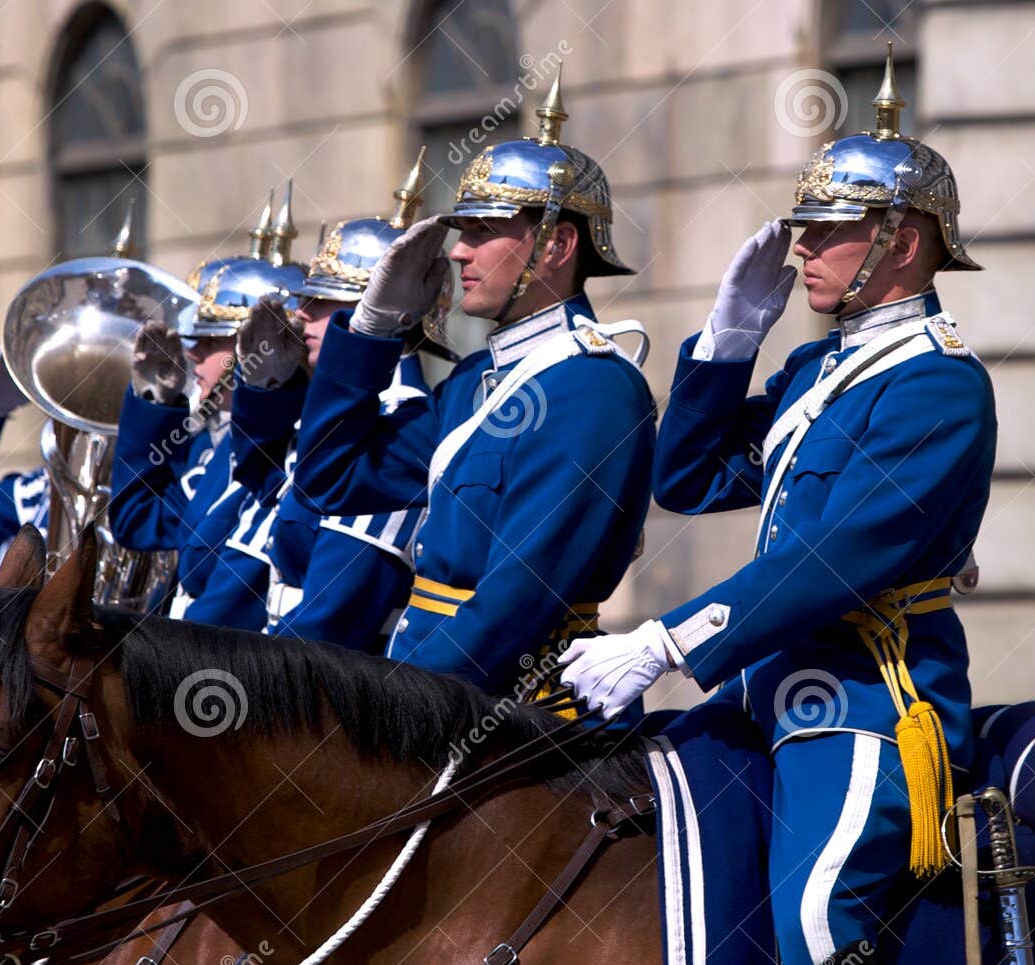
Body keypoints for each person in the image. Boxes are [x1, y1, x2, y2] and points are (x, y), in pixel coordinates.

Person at [560, 49, 993, 965]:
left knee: (811, 921)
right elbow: (694, 477)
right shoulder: (820, 367)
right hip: (765, 685)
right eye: (801, 228)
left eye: (826, 230)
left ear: (903, 240)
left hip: (866, 697)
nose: (801, 248)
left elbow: (830, 564)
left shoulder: (936, 386)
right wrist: (725, 339)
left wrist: (665, 640)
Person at [291, 72, 656, 695]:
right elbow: (332, 476)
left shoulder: (594, 389)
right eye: (463, 233)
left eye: (484, 231)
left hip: (512, 708)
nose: (460, 254)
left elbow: (517, 602)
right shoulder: (472, 381)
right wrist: (373, 333)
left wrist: (398, 705)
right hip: (436, 686)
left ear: (557, 244)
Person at [227, 151, 452, 652]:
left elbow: (334, 615)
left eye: (324, 303)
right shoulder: (336, 415)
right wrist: (267, 395)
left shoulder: (399, 421)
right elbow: (265, 495)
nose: (302, 316)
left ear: (389, 309)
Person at [110, 189, 305, 628]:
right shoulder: (218, 449)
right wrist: (158, 404)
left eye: (213, 341)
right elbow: (136, 521)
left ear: (261, 344)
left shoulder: (289, 447)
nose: (192, 354)